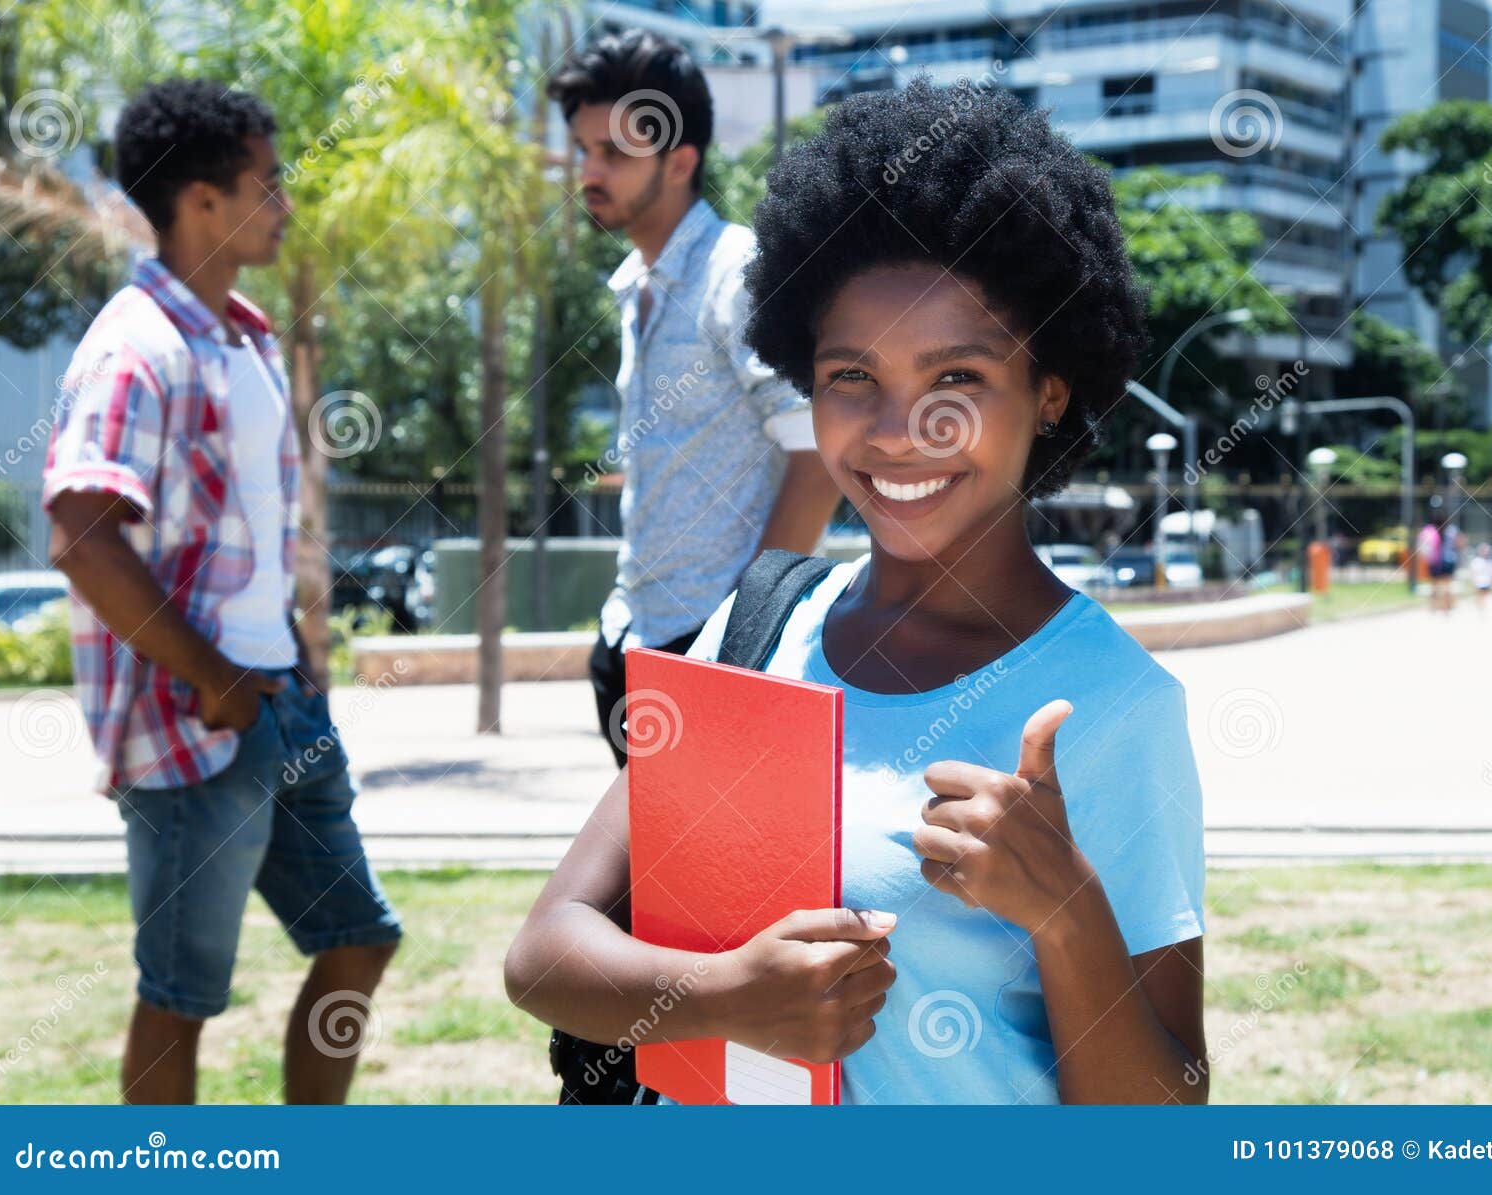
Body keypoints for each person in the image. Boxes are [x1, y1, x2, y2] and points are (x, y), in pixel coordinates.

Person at [506, 77, 1206, 1104]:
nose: (894, 432)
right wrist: (722, 993)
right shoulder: (757, 631)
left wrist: (1064, 908)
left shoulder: (1115, 706)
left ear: (1048, 388)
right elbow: (542, 953)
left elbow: (1165, 1118)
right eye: (851, 378)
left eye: (956, 380)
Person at [43, 80, 401, 1104]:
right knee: (181, 994)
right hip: (195, 718)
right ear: (203, 200)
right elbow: (81, 536)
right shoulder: (134, 347)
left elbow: (238, 531)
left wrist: (275, 673)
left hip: (278, 699)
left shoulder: (235, 336)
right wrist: (219, 683)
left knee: (358, 939)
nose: (285, 202)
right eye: (268, 182)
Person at [547, 29, 841, 768]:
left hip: (711, 649)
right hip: (634, 636)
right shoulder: (634, 284)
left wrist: (741, 637)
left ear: (680, 160)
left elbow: (818, 455)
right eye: (583, 150)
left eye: (612, 153)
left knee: (726, 885)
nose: (589, 171)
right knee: (651, 885)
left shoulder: (733, 270)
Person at [1469, 543, 1492, 613]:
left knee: (1486, 598)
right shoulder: (1476, 561)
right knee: (1480, 598)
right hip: (1479, 583)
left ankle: (1484, 610)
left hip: (1488, 582)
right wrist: (1474, 582)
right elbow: (1473, 573)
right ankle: (1481, 610)